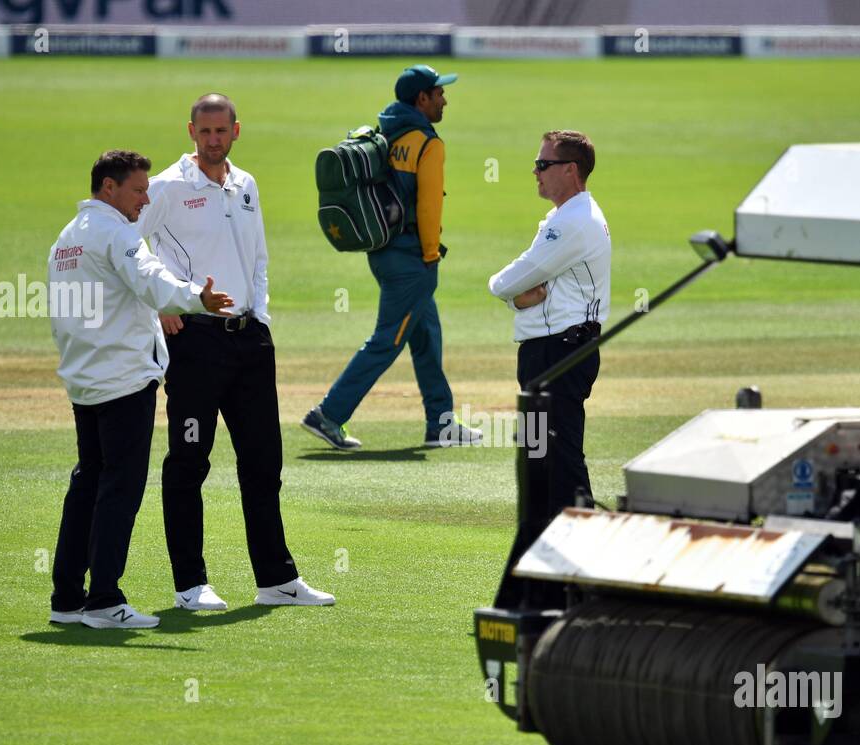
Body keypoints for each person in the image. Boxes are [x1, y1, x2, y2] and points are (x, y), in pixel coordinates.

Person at [138, 93, 334, 611]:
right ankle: (189, 584)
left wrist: (261, 319)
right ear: (191, 131)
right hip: (195, 343)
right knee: (188, 462)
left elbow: (259, 261)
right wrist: (161, 304)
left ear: (236, 131)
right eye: (204, 132)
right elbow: (127, 249)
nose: (212, 140)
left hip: (250, 341)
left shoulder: (245, 185)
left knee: (263, 462)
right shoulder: (166, 187)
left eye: (221, 131)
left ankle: (276, 580)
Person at [48, 150, 235, 629]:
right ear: (108, 188)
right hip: (123, 380)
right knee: (119, 489)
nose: (145, 199)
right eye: (137, 189)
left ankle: (68, 598)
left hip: (84, 378)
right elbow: (151, 279)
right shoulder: (115, 233)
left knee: (87, 483)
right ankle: (105, 600)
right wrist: (198, 298)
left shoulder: (66, 240)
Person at [303, 65, 481, 451]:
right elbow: (429, 206)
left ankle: (441, 424)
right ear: (422, 99)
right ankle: (328, 415)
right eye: (438, 93)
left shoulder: (386, 130)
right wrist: (430, 256)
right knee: (387, 341)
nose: (444, 100)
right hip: (412, 260)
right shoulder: (428, 143)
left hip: (383, 251)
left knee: (427, 336)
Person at [488, 130, 611, 607]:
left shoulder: (573, 222)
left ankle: (575, 584)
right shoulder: (565, 216)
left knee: (558, 471)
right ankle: (542, 589)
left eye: (543, 164)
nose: (535, 171)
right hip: (553, 353)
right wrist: (523, 295)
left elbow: (508, 281)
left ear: (570, 171)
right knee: (545, 470)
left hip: (560, 355)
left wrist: (511, 292)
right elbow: (527, 287)